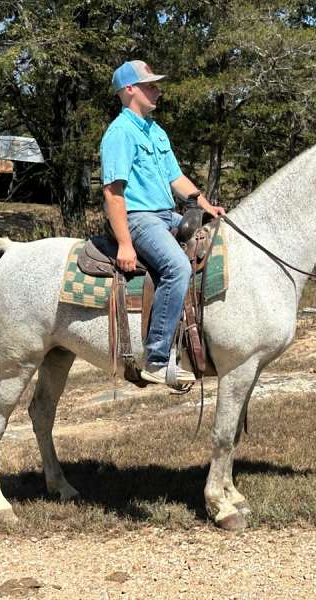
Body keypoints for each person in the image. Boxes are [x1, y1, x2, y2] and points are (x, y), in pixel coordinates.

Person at [100, 60, 225, 385]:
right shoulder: (120, 133)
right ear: (130, 89)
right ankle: (156, 359)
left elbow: (176, 178)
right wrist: (125, 243)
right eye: (150, 85)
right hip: (139, 218)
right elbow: (113, 192)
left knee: (217, 240)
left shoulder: (155, 131)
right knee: (177, 268)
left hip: (167, 214)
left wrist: (206, 206)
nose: (158, 91)